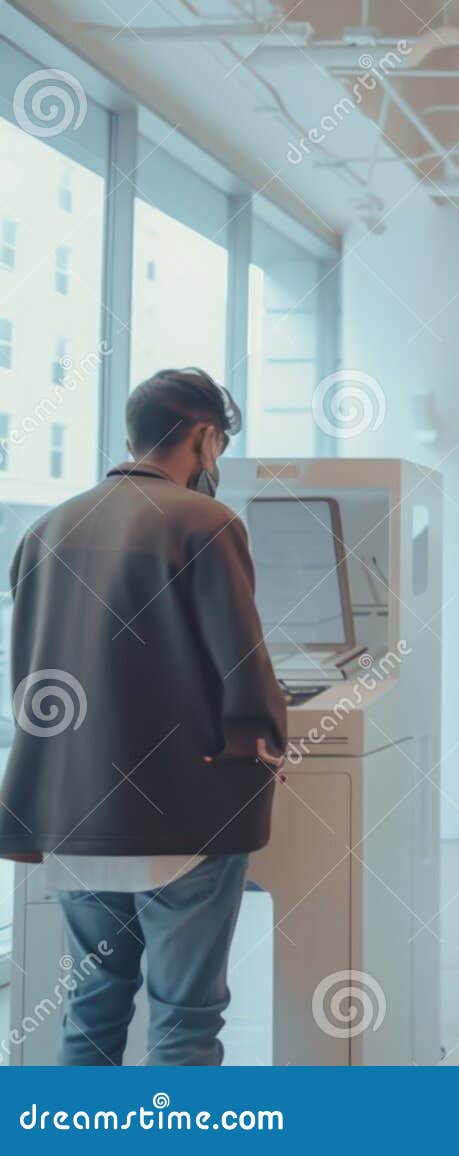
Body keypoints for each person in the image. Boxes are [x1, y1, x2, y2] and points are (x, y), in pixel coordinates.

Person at [0, 368, 286, 1065]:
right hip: (182, 813)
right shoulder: (207, 522)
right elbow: (241, 668)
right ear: (201, 436)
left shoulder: (48, 528)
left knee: (93, 1010)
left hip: (73, 814)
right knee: (186, 1019)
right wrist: (262, 739)